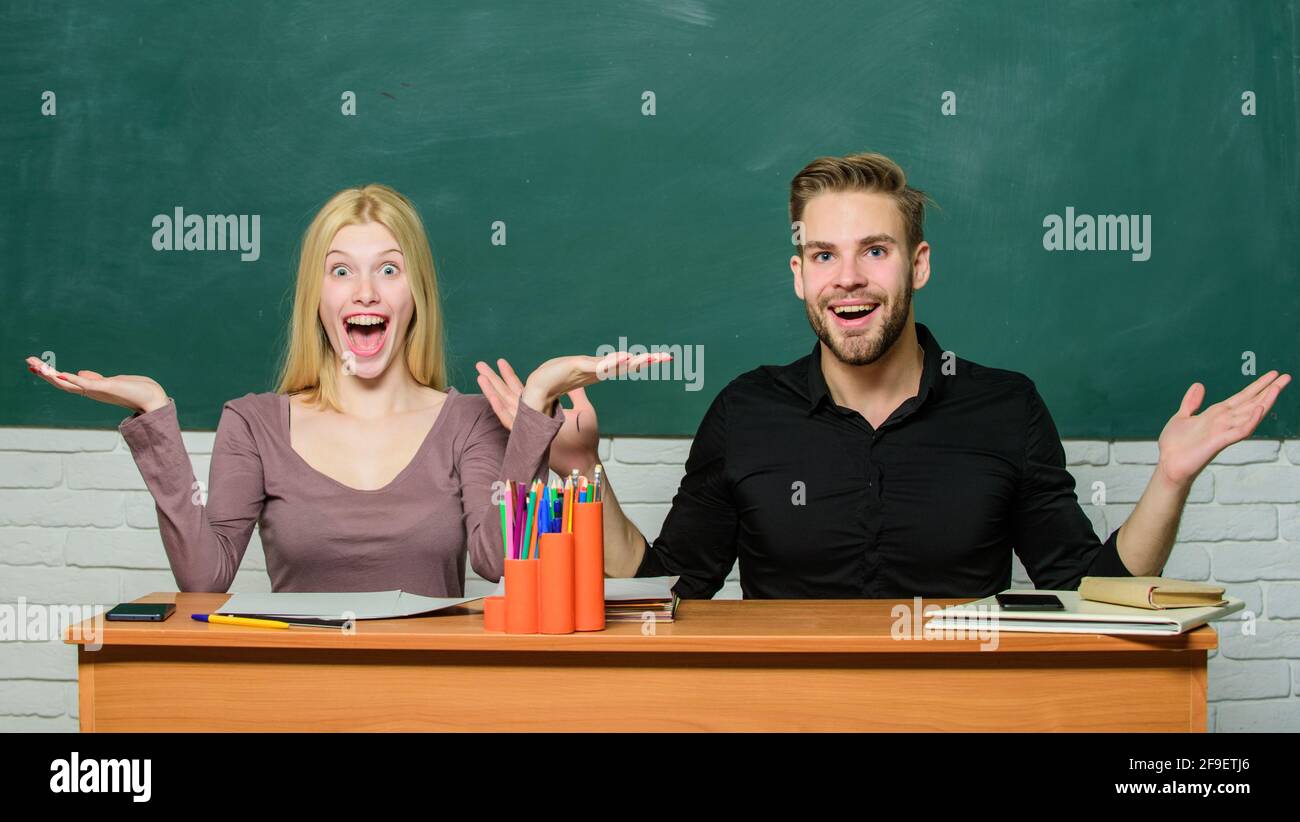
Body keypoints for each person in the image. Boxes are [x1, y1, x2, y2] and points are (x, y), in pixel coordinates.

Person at [477, 152, 1291, 599]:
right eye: (824, 255)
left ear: (918, 265)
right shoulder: (745, 412)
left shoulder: (1005, 407)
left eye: (875, 250)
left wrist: (1172, 481)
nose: (849, 279)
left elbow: (1091, 592)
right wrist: (583, 470)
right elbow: (663, 590)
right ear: (798, 276)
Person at [25, 184, 659, 596]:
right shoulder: (253, 423)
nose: (365, 292)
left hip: (433, 706)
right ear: (317, 299)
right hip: (296, 704)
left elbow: (497, 561)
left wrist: (533, 409)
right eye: (340, 271)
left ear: (415, 297)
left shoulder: (468, 421)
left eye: (389, 269)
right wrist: (156, 415)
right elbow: (204, 577)